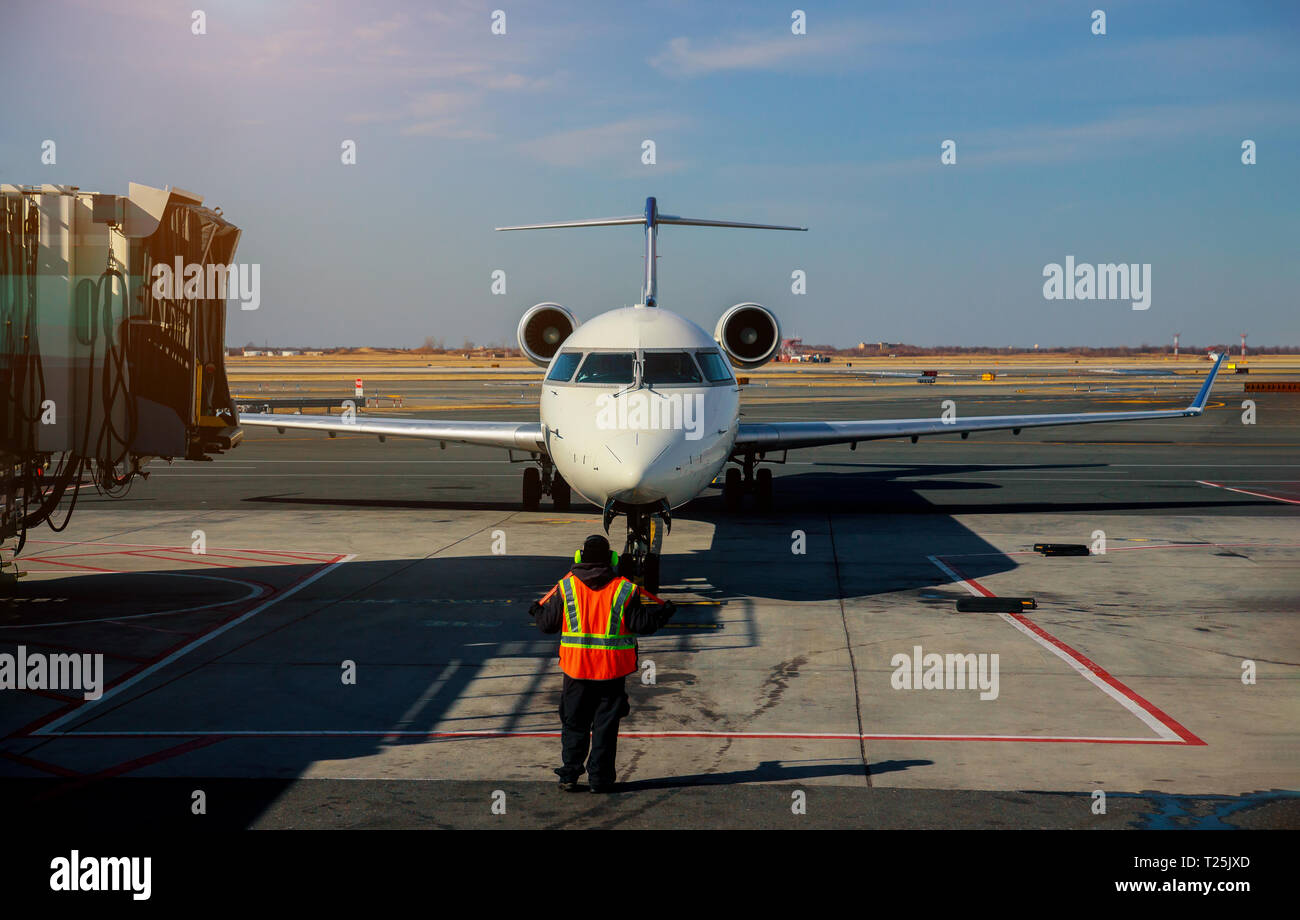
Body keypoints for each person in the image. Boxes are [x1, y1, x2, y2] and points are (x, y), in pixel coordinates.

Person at [530, 534, 675, 793]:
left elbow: (547, 626)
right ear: (612, 559)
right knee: (605, 728)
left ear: (579, 557)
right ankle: (600, 779)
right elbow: (644, 624)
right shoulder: (624, 589)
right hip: (611, 672)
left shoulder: (566, 587)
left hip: (576, 671)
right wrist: (664, 614)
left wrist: (537, 611)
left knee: (574, 723)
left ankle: (570, 774)